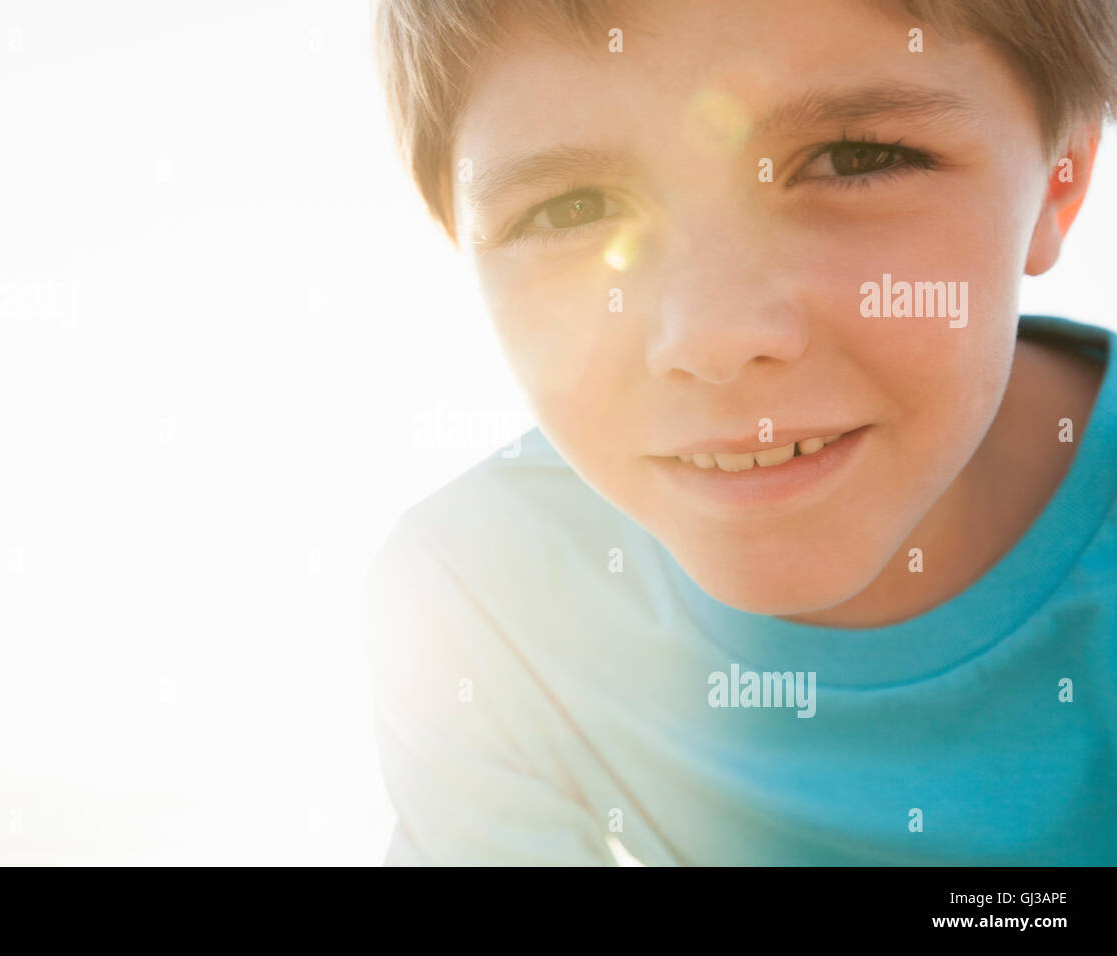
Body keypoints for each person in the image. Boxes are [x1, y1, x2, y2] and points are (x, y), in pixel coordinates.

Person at [363, 0, 1117, 865]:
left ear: (1063, 174)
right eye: (570, 210)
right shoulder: (472, 606)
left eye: (855, 160)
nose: (712, 338)